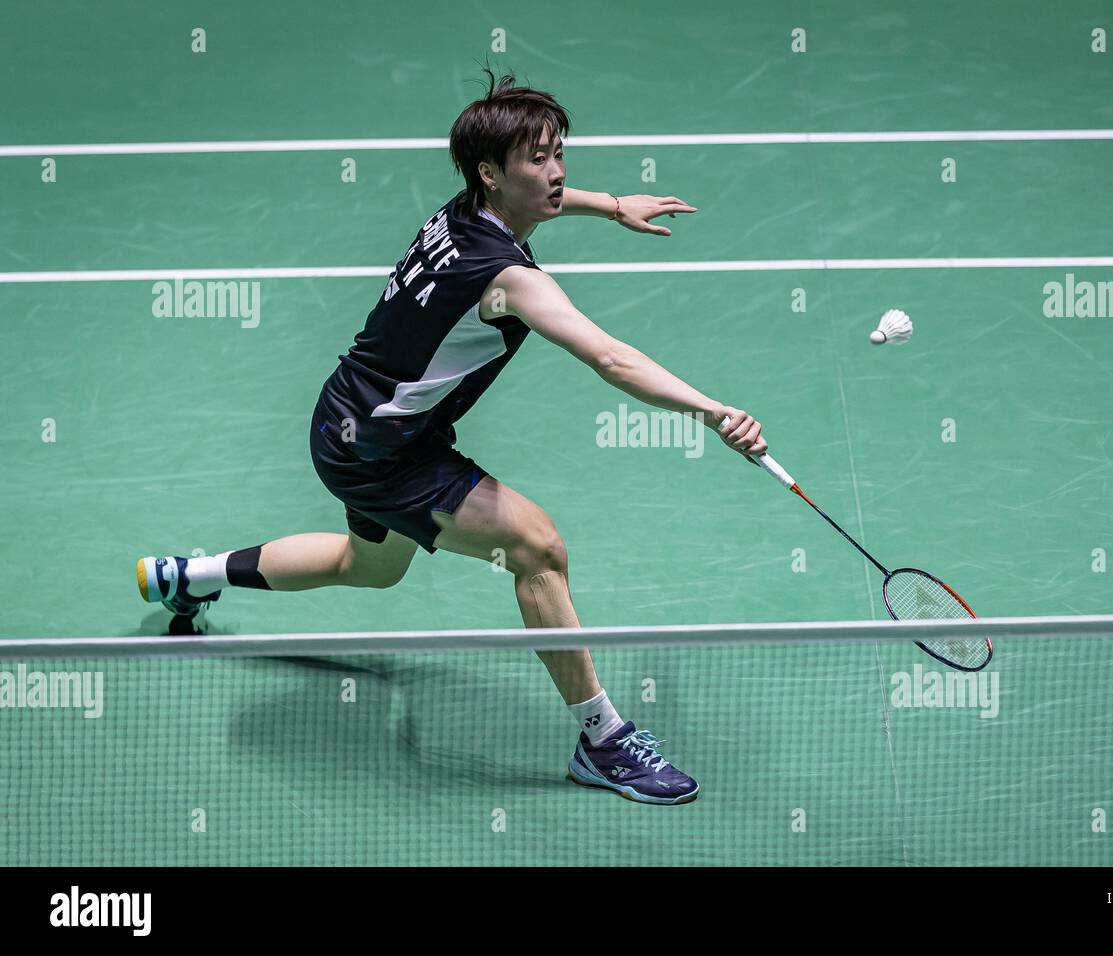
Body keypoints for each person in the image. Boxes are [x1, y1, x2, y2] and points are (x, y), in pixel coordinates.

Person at [136, 70, 767, 805]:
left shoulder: (466, 210)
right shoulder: (508, 280)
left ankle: (190, 576)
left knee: (368, 567)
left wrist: (611, 206)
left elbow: (545, 205)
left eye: (559, 151)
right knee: (536, 547)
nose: (557, 170)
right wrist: (714, 413)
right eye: (538, 159)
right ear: (491, 173)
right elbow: (610, 357)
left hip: (345, 420)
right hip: (386, 450)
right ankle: (603, 741)